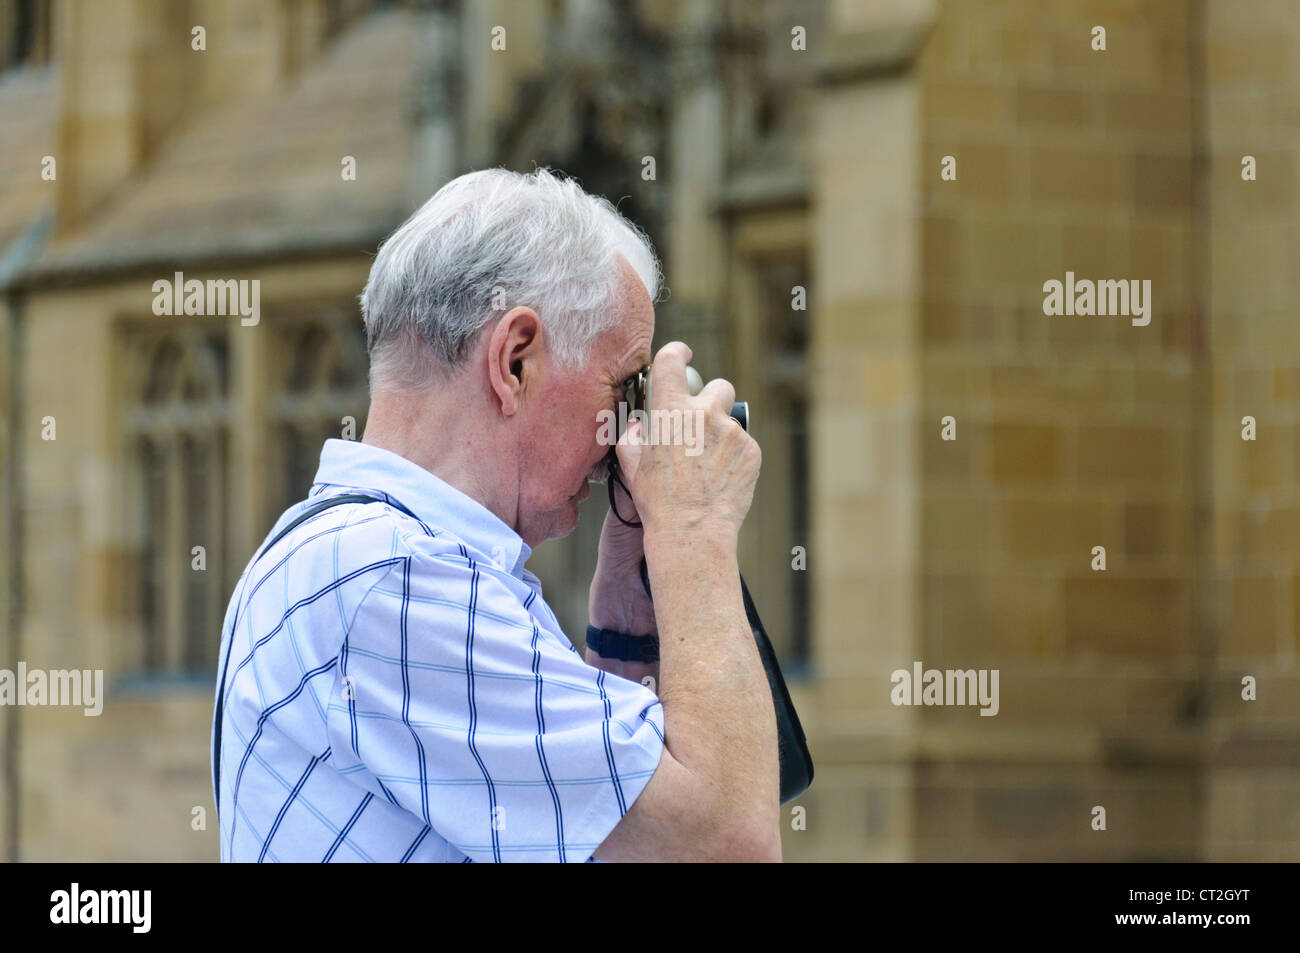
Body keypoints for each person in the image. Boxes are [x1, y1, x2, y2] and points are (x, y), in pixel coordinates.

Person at [211, 167, 780, 862]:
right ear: (514, 361)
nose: (627, 436)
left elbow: (624, 845)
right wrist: (695, 529)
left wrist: (627, 620)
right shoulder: (394, 578)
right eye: (624, 383)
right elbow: (730, 845)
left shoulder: (357, 561)